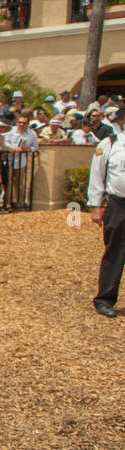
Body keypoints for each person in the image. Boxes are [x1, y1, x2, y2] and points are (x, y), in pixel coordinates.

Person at [89, 125, 125, 317]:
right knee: (115, 252)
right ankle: (105, 299)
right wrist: (95, 205)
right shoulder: (111, 144)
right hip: (119, 205)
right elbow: (96, 175)